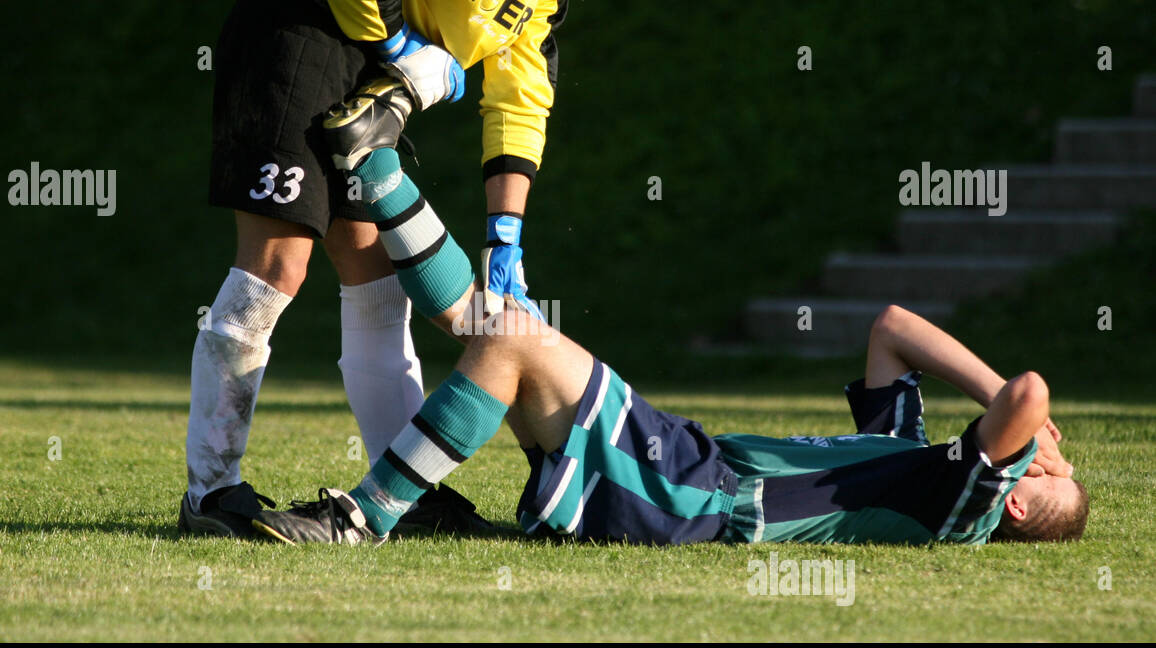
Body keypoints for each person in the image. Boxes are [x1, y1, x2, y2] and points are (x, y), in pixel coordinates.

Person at [244, 131, 1088, 546]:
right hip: (688, 465)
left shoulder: (959, 506)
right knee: (497, 329)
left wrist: (1035, 434)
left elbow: (1027, 393)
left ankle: (365, 519)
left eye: (1054, 470)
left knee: (504, 339)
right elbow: (892, 329)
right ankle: (373, 164)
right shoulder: (903, 460)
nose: (1057, 454)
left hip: (700, 501)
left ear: (1014, 494)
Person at [179, 0, 567, 538]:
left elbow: (518, 98)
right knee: (276, 267)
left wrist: (506, 235)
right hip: (301, 30)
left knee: (379, 279)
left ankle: (403, 494)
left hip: (370, 72)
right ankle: (210, 491)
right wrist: (402, 46)